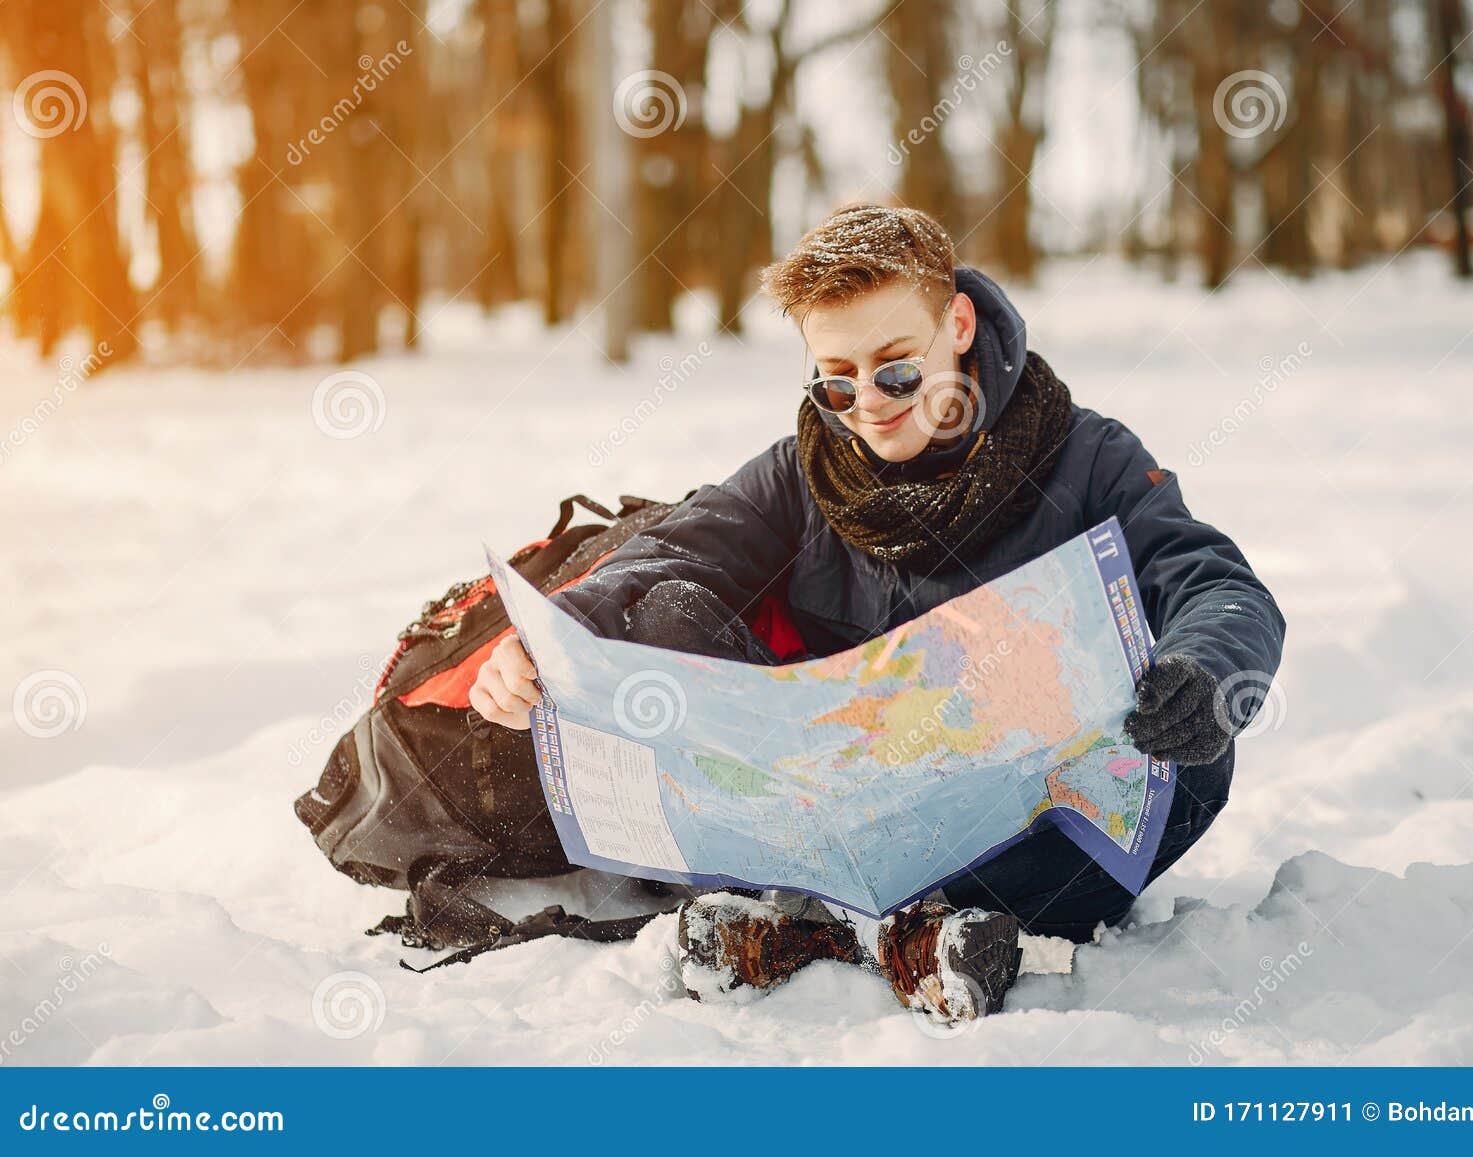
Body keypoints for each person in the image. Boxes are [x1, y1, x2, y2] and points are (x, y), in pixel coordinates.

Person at [469, 204, 1285, 1024]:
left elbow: (1219, 583)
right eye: (836, 379)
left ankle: (812, 931)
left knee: (1194, 749)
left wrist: (1206, 671)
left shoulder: (1086, 456)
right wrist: (548, 639)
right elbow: (671, 551)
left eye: (896, 369)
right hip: (831, 807)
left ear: (957, 324)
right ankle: (893, 936)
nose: (868, 403)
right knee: (664, 612)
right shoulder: (805, 469)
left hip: (1018, 826)